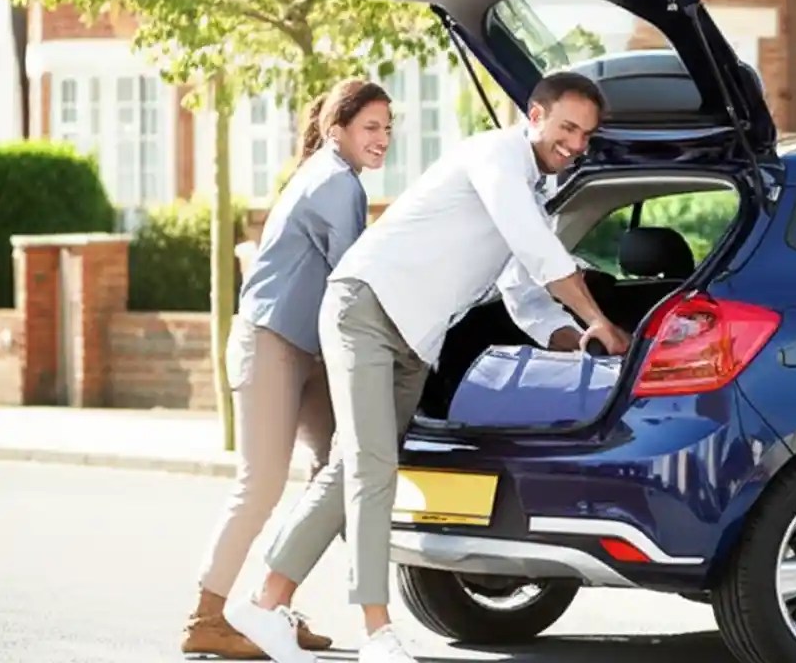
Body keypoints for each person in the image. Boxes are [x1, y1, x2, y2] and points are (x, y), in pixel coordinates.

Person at [224, 71, 630, 663]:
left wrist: (580, 339)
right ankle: (376, 633)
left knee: (348, 470)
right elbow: (542, 255)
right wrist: (603, 316)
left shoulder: (530, 190)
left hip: (418, 336)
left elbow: (523, 293)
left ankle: (262, 604)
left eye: (587, 135)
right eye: (568, 127)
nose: (576, 144)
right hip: (366, 306)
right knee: (371, 468)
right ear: (534, 115)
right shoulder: (495, 156)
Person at [180, 78, 393, 659]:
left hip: (310, 348)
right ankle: (207, 615)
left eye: (388, 128)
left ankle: (266, 606)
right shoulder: (335, 181)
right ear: (337, 130)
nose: (384, 139)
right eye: (371, 127)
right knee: (262, 483)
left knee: (337, 472)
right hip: (272, 342)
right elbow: (357, 276)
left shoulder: (335, 177)